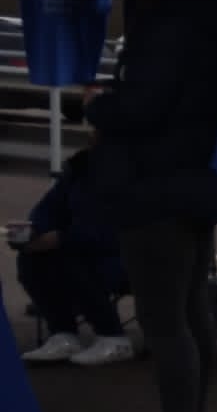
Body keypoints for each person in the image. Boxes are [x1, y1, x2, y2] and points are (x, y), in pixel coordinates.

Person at [86, 0, 217, 412]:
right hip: (196, 184)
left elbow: (143, 108)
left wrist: (100, 106)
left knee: (165, 322)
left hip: (154, 188)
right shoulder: (215, 24)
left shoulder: (165, 27)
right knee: (191, 313)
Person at [16, 146, 132, 366]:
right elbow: (49, 207)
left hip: (126, 255)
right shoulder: (81, 166)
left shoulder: (138, 170)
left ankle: (113, 336)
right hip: (79, 246)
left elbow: (115, 229)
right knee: (31, 258)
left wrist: (62, 238)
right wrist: (34, 232)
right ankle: (62, 333)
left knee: (70, 259)